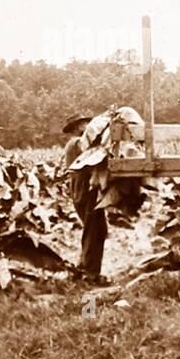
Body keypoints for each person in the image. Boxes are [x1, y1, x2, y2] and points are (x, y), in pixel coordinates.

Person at [61, 113, 108, 284]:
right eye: (84, 123)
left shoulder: (78, 143)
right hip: (85, 191)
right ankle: (91, 274)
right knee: (94, 230)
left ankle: (83, 266)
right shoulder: (77, 143)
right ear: (76, 128)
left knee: (96, 229)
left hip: (84, 191)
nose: (88, 125)